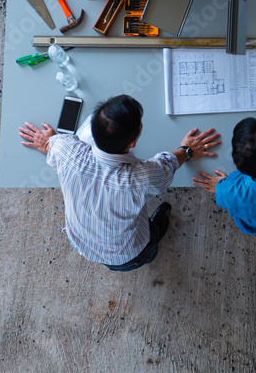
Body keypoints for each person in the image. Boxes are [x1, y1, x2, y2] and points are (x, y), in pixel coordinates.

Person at [18, 94, 221, 270]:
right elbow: (168, 164)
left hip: (82, 244)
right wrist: (187, 150)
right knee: (150, 241)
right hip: (128, 254)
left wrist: (47, 140)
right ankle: (155, 235)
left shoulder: (64, 149)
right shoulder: (143, 178)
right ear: (133, 142)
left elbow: (49, 144)